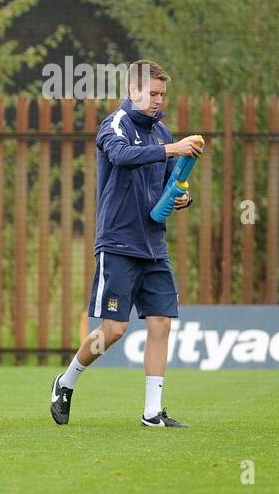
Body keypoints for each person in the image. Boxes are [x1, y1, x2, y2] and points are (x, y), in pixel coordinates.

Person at [51, 60, 201, 428]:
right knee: (115, 330)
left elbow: (170, 183)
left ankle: (152, 412)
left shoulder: (163, 132)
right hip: (118, 243)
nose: (157, 100)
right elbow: (121, 156)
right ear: (132, 90)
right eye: (152, 93)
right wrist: (172, 150)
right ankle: (66, 381)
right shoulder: (114, 125)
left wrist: (182, 198)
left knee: (161, 323)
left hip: (153, 246)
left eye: (162, 94)